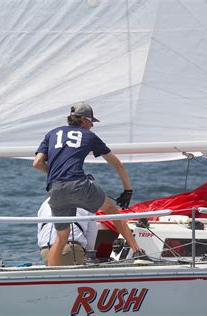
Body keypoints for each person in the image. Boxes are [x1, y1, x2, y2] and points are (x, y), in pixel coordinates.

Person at [33, 101, 150, 266]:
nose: (92, 126)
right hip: (78, 184)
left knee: (61, 237)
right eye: (91, 122)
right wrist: (127, 190)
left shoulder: (52, 133)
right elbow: (117, 164)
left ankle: (50, 274)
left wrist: (55, 174)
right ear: (83, 120)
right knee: (113, 212)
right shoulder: (89, 136)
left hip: (55, 188)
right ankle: (138, 252)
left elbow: (37, 163)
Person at [37, 198, 98, 266]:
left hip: (46, 250)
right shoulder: (86, 202)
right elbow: (91, 239)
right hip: (71, 250)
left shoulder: (44, 204)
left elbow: (40, 235)